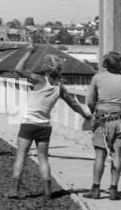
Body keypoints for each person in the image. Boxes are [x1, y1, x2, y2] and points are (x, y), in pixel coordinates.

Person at [11, 58, 92, 199]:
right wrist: (85, 115)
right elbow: (73, 104)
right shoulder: (59, 87)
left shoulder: (38, 80)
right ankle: (47, 191)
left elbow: (18, 69)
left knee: (21, 156)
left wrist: (29, 53)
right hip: (45, 126)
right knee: (43, 158)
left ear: (45, 67)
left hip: (28, 124)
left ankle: (14, 190)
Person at [88, 50, 121, 199]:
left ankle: (96, 188)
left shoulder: (97, 78)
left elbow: (90, 101)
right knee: (117, 155)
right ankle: (113, 189)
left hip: (102, 121)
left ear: (105, 64)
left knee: (100, 155)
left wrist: (95, 112)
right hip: (120, 121)